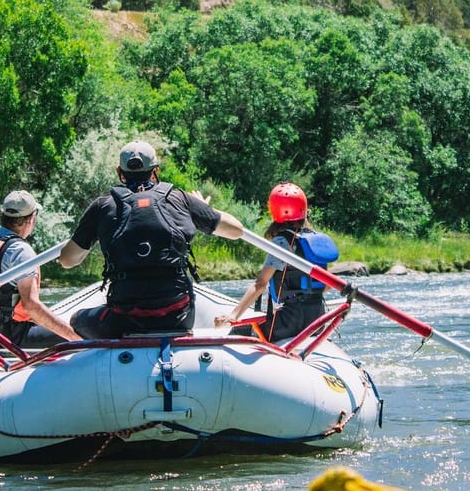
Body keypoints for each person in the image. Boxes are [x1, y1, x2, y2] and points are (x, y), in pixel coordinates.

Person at [60, 140, 245, 338]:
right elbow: (236, 230)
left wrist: (93, 231)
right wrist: (201, 207)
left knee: (76, 319)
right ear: (155, 171)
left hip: (124, 320)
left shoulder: (102, 207)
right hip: (179, 316)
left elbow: (67, 261)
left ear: (119, 172)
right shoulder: (180, 199)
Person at [0, 190, 81, 348]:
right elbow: (31, 307)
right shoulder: (20, 251)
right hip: (8, 336)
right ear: (31, 219)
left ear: (3, 216)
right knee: (81, 331)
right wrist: (74, 336)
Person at [214, 182, 338, 341]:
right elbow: (326, 287)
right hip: (318, 319)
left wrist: (234, 315)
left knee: (240, 331)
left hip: (292, 321)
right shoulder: (315, 240)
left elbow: (260, 284)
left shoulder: (282, 241)